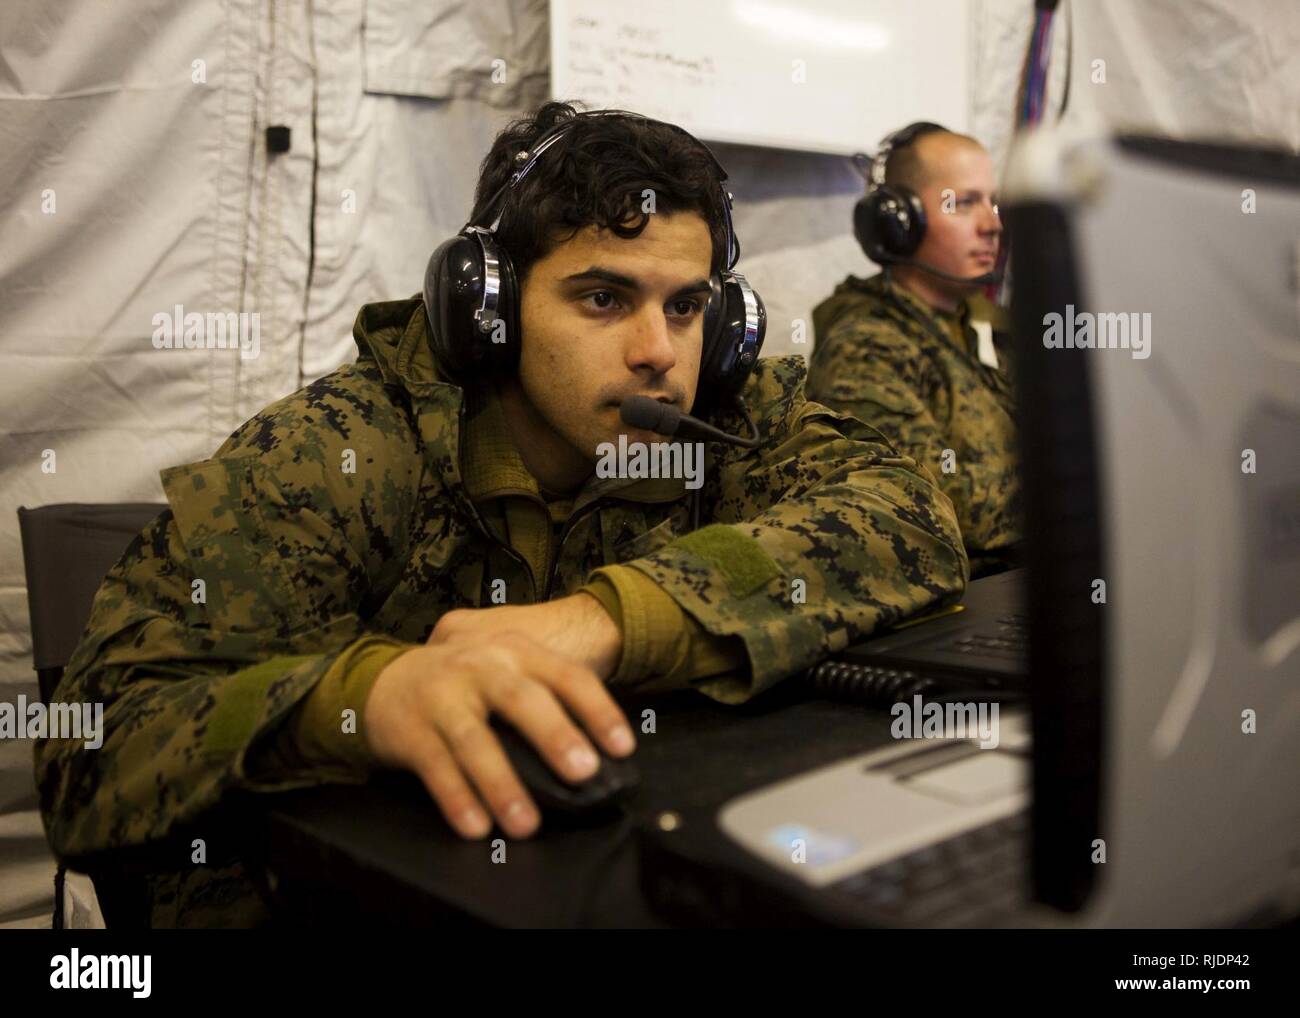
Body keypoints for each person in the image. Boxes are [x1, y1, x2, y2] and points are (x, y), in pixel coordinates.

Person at [36, 103, 968, 926]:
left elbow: (912, 515)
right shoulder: (340, 452)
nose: (658, 351)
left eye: (687, 307)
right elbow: (91, 746)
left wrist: (609, 622)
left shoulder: (720, 419)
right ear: (490, 307)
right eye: (603, 298)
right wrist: (364, 699)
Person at [807, 122, 1020, 576]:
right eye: (964, 203)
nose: (992, 225)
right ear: (898, 223)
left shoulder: (984, 326)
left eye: (993, 202)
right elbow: (939, 506)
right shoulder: (865, 349)